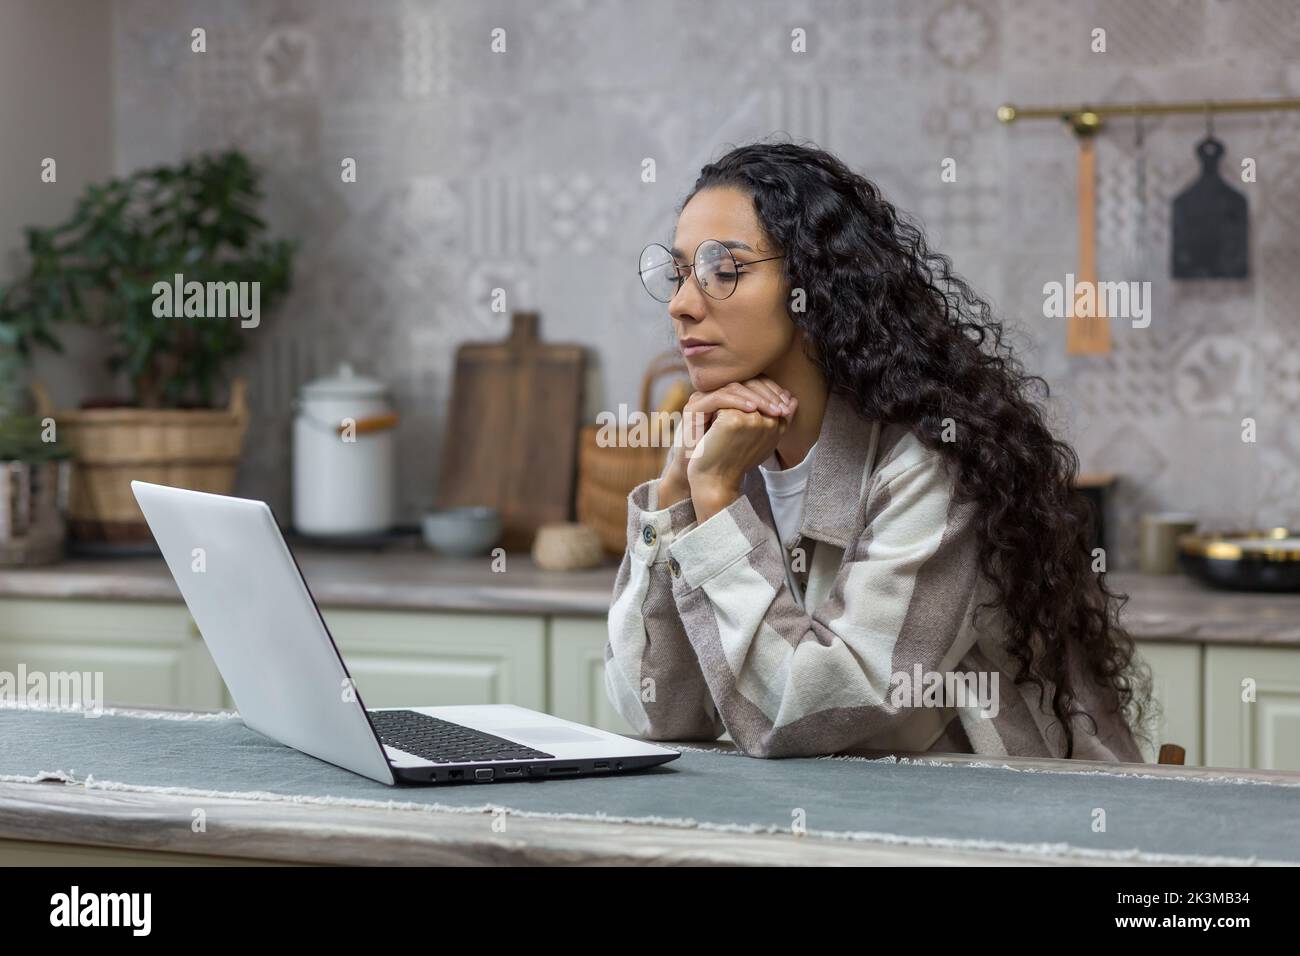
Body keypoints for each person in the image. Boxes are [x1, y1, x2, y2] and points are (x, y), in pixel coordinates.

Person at [605, 140, 1154, 761]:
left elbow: (807, 717)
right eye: (679, 274)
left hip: (1002, 830)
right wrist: (676, 496)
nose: (681, 304)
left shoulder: (930, 462)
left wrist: (715, 500)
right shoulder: (728, 457)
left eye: (723, 271)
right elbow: (659, 712)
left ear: (815, 281)